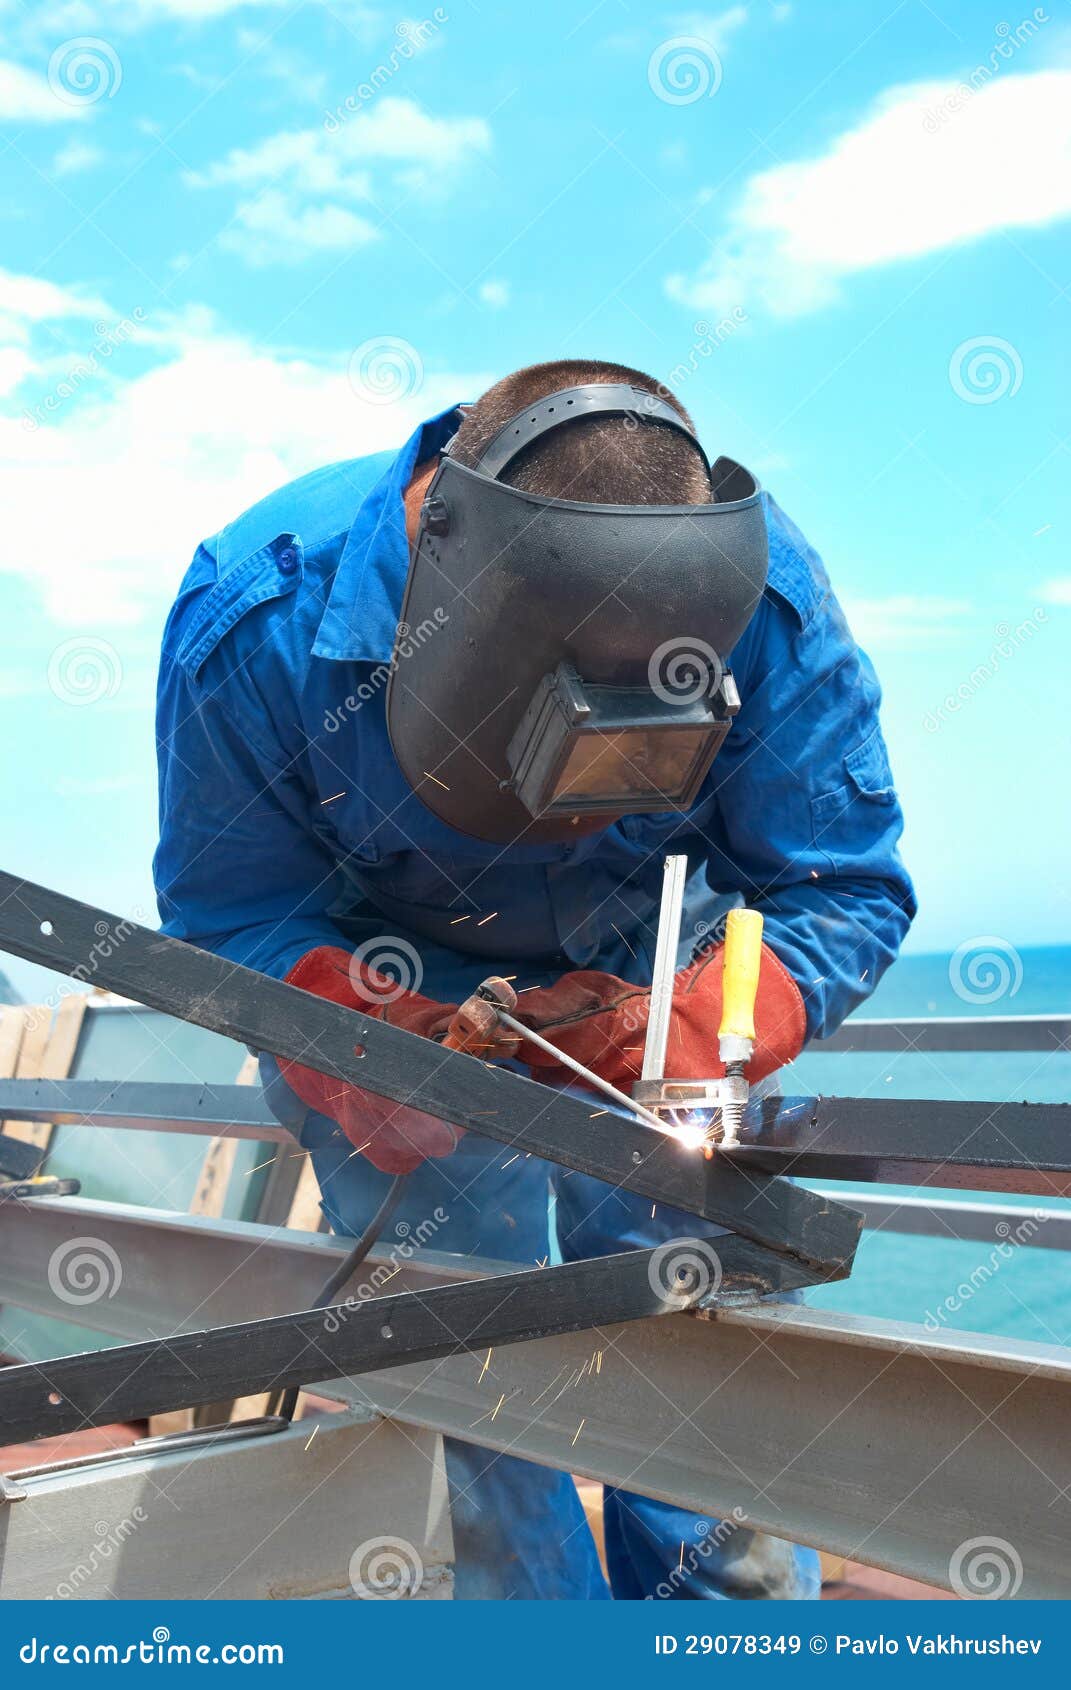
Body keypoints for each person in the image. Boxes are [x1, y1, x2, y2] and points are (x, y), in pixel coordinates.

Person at [154, 358, 915, 1600]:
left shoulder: (763, 607)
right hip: (385, 973)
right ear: (439, 562)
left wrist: (686, 1023)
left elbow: (841, 885)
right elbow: (232, 912)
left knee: (686, 1283)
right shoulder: (261, 623)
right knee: (465, 1329)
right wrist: (362, 1045)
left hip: (656, 953)